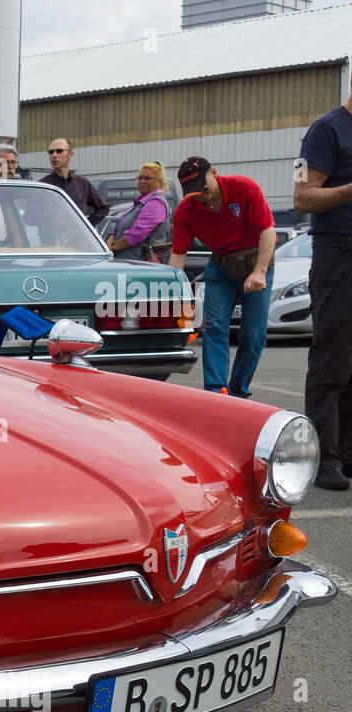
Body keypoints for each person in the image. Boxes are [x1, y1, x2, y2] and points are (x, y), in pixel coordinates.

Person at [169, 157, 276, 399]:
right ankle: (216, 392)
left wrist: (259, 271)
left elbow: (267, 231)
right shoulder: (186, 211)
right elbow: (178, 256)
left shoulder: (244, 187)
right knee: (215, 328)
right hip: (221, 267)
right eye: (193, 192)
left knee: (253, 336)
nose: (200, 196)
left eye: (203, 188)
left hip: (257, 261)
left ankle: (238, 391)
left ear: (214, 173)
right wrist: (173, 294)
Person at [295, 91, 352, 491]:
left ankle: (348, 452)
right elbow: (302, 198)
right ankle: (324, 456)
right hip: (338, 252)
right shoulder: (326, 129)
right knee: (333, 352)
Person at [105, 162, 171, 261]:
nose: (142, 181)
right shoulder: (141, 202)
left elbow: (137, 234)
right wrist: (111, 237)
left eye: (147, 178)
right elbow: (121, 227)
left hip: (142, 265)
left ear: (159, 181)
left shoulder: (156, 203)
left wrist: (112, 248)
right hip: (129, 262)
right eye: (140, 178)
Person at [40, 138, 108, 225]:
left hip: (77, 238)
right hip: (50, 237)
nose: (54, 155)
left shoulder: (82, 183)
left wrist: (86, 226)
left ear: (70, 154)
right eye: (51, 152)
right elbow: (29, 214)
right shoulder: (43, 186)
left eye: (59, 151)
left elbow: (103, 208)